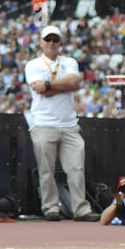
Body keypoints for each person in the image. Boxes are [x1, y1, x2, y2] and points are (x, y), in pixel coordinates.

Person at [24, 24, 99, 221]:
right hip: (43, 122)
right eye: (48, 39)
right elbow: (41, 90)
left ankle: (81, 209)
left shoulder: (69, 62)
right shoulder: (33, 65)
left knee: (76, 168)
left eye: (55, 40)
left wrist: (49, 84)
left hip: (68, 124)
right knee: (46, 169)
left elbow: (74, 83)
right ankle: (50, 208)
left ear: (61, 43)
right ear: (41, 42)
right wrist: (64, 86)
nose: (51, 43)